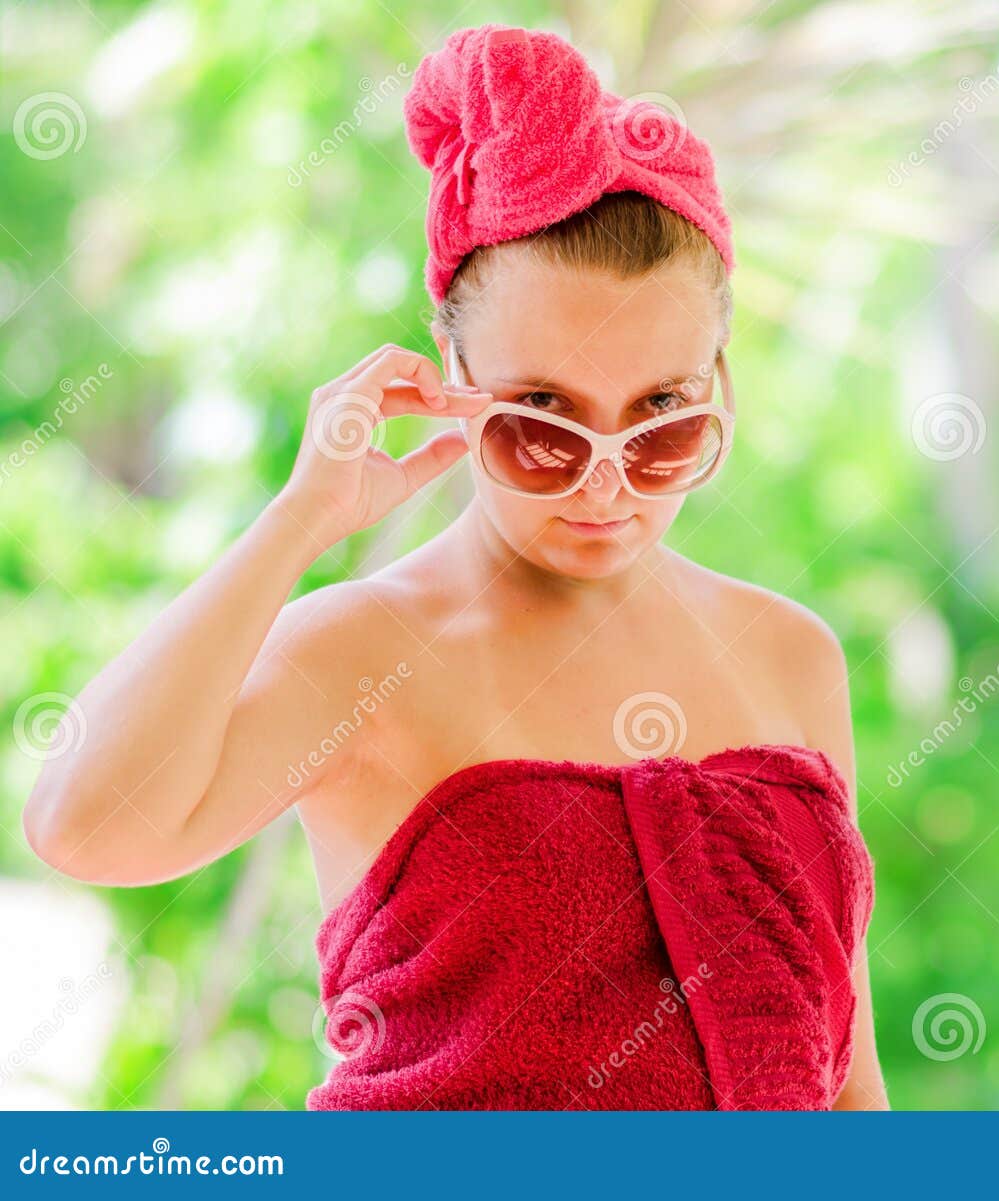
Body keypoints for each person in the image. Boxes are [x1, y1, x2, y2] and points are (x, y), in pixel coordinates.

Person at [22, 23, 886, 1111]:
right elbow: (85, 825)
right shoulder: (367, 648)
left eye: (662, 419)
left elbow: (846, 1074)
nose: (605, 485)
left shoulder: (790, 654)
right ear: (451, 378)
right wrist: (299, 522)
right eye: (542, 421)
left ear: (718, 379)